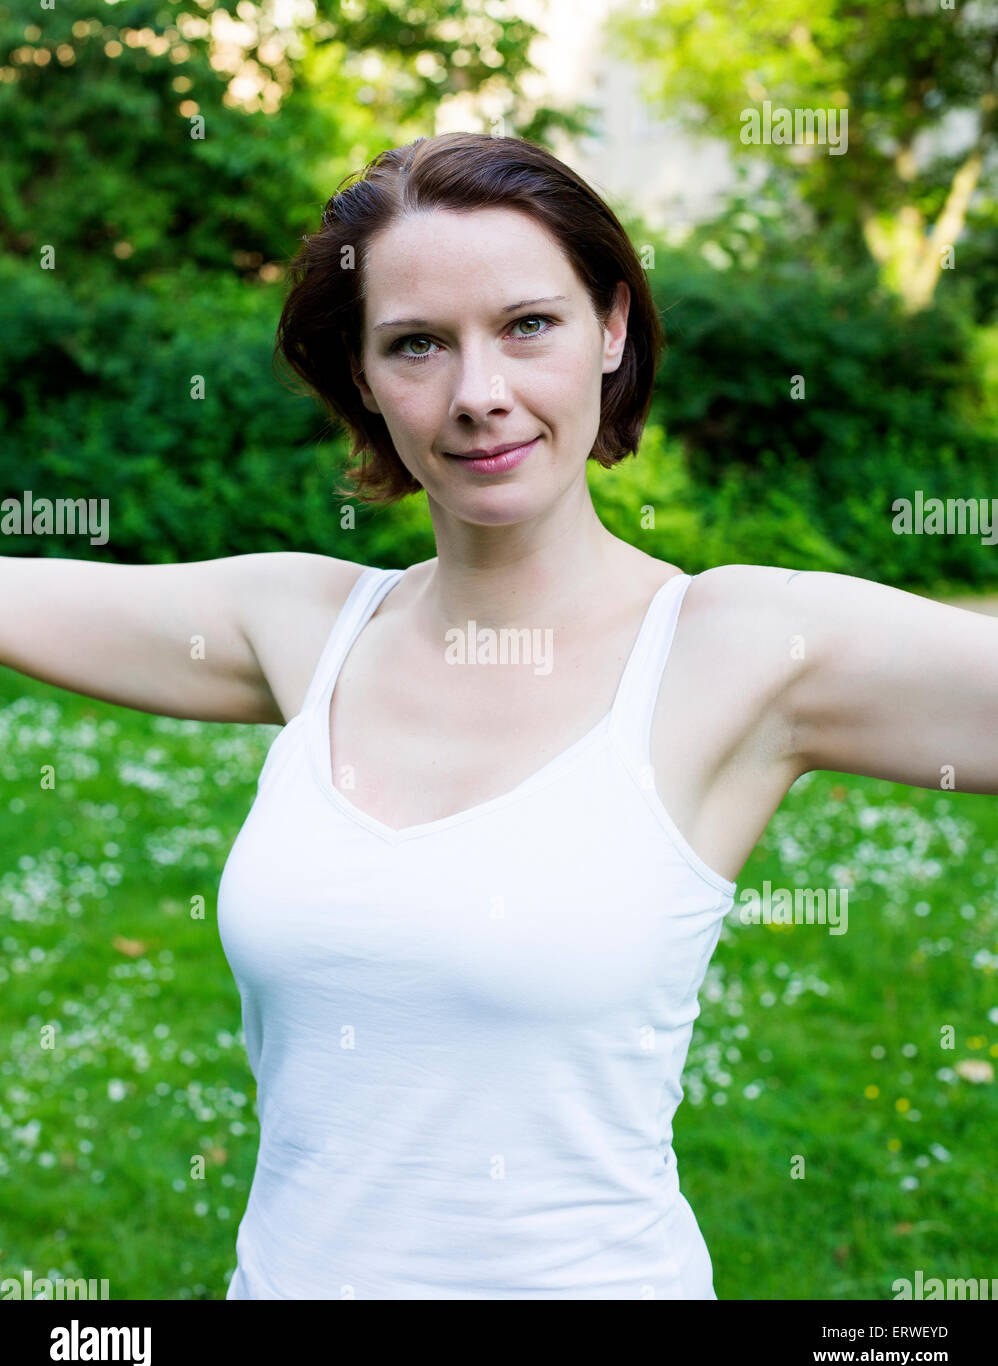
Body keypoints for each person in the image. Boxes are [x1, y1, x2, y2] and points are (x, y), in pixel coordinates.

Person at [3, 132, 996, 1300]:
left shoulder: (737, 650)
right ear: (365, 379)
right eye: (416, 344)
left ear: (610, 327)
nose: (479, 395)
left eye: (528, 325)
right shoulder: (303, 622)